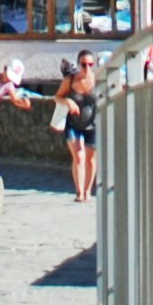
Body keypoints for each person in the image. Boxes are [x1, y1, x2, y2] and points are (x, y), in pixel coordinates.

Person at [56, 55, 101, 201]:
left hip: (92, 125)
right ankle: (79, 192)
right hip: (73, 124)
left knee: (90, 159)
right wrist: (68, 101)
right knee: (79, 156)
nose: (87, 68)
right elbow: (57, 97)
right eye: (83, 64)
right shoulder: (70, 80)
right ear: (78, 63)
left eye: (90, 64)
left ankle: (88, 191)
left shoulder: (97, 80)